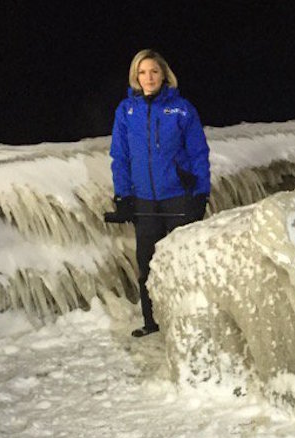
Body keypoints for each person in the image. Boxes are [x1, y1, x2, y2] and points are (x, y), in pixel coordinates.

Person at [105, 49, 211, 337]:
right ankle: (151, 321)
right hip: (144, 201)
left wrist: (200, 193)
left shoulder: (182, 109)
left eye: (154, 71)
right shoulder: (126, 111)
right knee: (147, 263)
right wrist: (123, 197)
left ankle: (188, 320)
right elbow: (120, 157)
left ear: (164, 74)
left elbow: (199, 153)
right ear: (135, 76)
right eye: (142, 72)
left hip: (178, 197)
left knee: (182, 260)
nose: (148, 77)